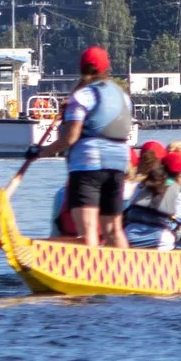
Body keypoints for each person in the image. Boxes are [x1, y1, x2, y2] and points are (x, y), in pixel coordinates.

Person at [38, 45, 132, 248]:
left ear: (82, 68)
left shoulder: (82, 97)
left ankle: (93, 274)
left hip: (88, 165)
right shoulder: (124, 97)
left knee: (88, 230)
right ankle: (126, 273)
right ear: (107, 69)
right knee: (114, 229)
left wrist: (39, 152)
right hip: (118, 164)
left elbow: (69, 139)